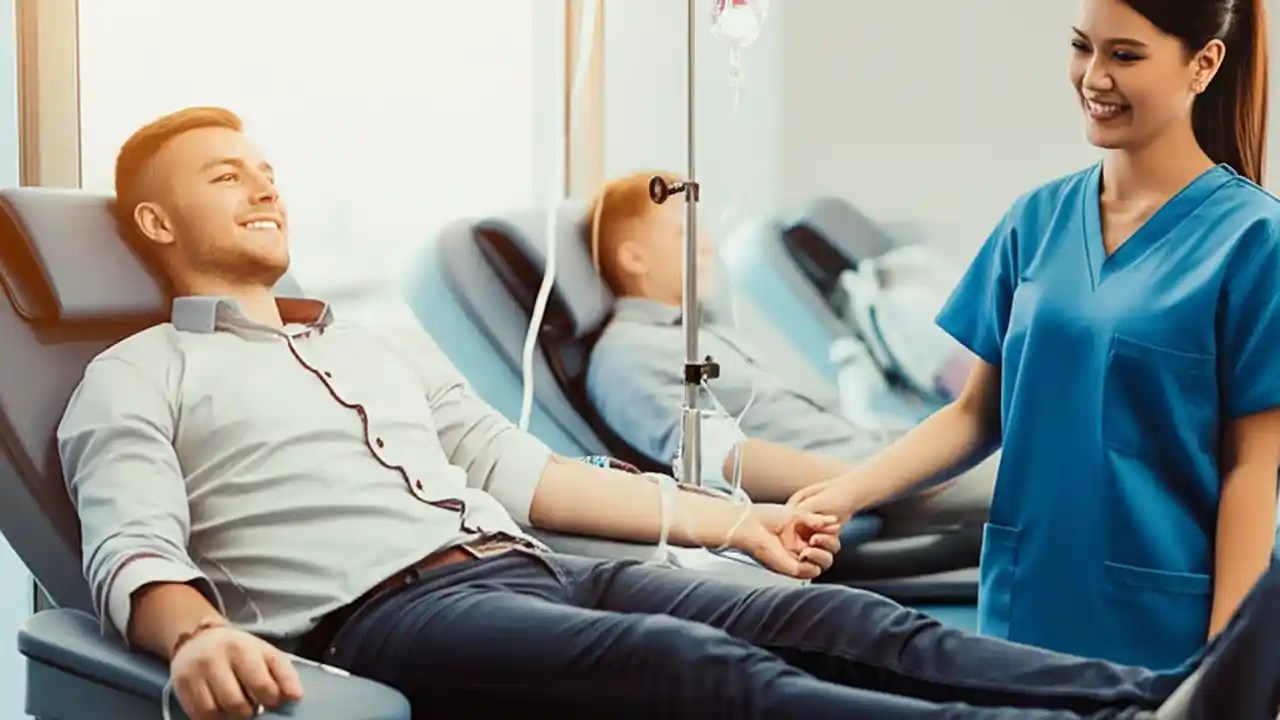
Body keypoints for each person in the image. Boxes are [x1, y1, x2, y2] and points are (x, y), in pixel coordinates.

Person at [57, 105, 1279, 720]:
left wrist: (726, 526)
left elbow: (521, 468)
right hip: (387, 616)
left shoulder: (372, 345)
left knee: (850, 620)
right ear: (156, 226)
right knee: (692, 666)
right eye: (227, 177)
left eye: (265, 169)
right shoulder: (136, 377)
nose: (265, 185)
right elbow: (130, 545)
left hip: (537, 565)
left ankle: (1155, 696)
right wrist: (191, 635)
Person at [792, 0, 1280, 672]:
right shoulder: (1036, 220)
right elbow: (974, 416)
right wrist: (845, 493)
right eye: (1084, 47)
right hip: (1024, 612)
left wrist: (1233, 667)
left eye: (1125, 55)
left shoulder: (1254, 241)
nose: (1093, 77)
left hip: (1161, 627)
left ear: (1204, 64)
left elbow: (1253, 473)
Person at [585, 170, 997, 537]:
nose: (707, 246)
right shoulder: (627, 353)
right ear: (633, 257)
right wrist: (884, 480)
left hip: (882, 465)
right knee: (1048, 483)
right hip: (886, 491)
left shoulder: (703, 334)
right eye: (684, 232)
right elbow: (721, 459)